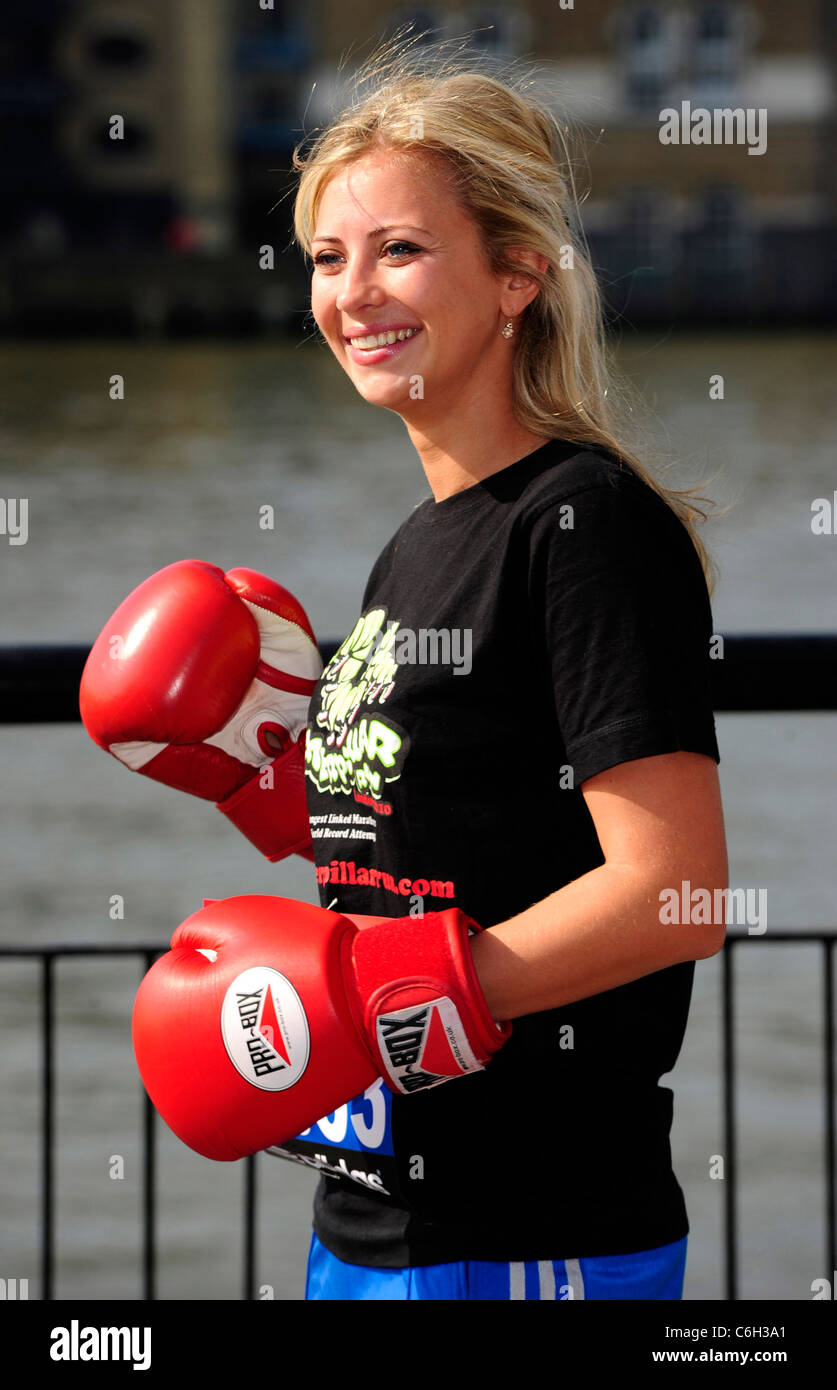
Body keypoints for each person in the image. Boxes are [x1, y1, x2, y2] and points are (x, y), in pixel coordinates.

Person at [82, 36, 729, 1303]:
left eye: (400, 249)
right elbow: (439, 837)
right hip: (373, 1215)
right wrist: (268, 785)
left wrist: (388, 995)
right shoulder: (415, 548)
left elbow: (677, 893)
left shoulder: (583, 523)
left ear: (515, 276)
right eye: (330, 256)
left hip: (534, 1224)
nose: (352, 291)